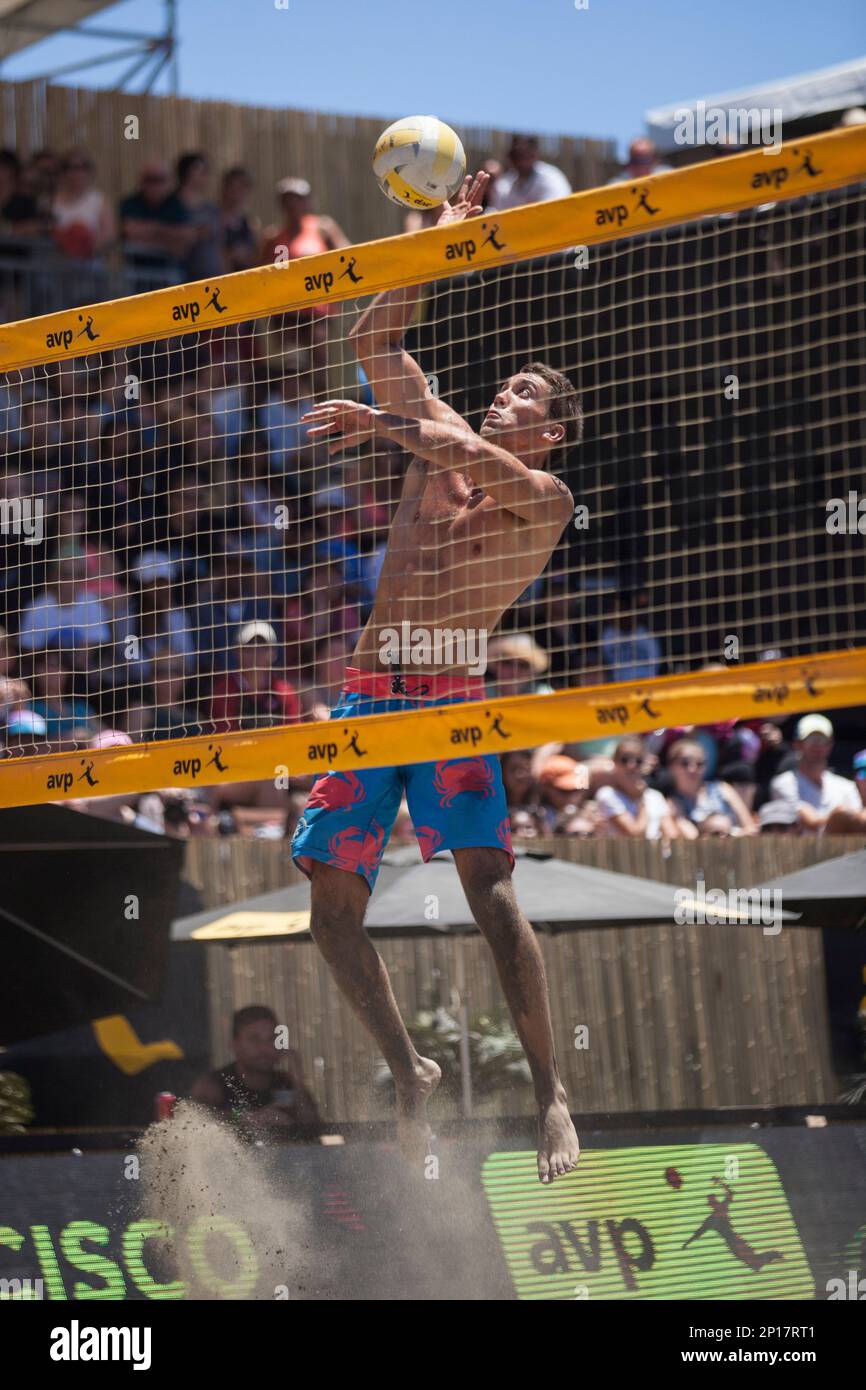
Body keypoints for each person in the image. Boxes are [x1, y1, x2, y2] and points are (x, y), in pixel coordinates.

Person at [291, 169, 581, 1183]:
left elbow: (442, 437)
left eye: (529, 399)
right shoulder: (437, 442)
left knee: (491, 897)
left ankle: (550, 1094)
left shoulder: (542, 495)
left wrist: (383, 427)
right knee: (329, 913)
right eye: (506, 385)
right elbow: (373, 342)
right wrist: (437, 239)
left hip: (450, 697)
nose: (510, 397)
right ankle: (407, 1070)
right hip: (371, 692)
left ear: (548, 434)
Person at [191, 1004, 320, 1135]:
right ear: (235, 1045)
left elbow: (314, 1130)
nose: (264, 1048)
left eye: (271, 1039)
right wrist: (247, 1118)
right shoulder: (214, 1084)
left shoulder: (286, 1082)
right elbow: (196, 1121)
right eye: (254, 1039)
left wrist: (298, 1081)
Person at [769, 715, 866, 833]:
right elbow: (811, 822)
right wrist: (840, 817)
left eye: (822, 739)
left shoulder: (847, 786)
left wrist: (845, 817)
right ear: (797, 744)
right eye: (811, 739)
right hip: (802, 851)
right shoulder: (782, 784)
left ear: (830, 744)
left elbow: (859, 823)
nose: (817, 745)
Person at [209, 621, 302, 732]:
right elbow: (225, 735)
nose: (256, 653)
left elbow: (293, 734)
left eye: (263, 646)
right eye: (249, 646)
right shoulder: (223, 691)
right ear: (237, 651)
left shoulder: (285, 692)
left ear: (274, 652)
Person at [666, 736, 755, 838]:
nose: (693, 769)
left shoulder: (722, 788)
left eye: (699, 764)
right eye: (685, 763)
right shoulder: (673, 803)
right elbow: (692, 837)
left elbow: (749, 827)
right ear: (671, 766)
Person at [595, 736, 678, 840]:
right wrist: (642, 801)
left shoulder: (655, 796)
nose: (632, 765)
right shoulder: (607, 794)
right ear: (614, 763)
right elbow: (636, 835)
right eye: (625, 760)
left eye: (638, 761)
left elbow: (672, 835)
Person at [51, 148, 114, 259]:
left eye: (81, 168)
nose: (75, 173)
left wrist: (88, 245)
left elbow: (108, 236)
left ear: (89, 171)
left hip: (89, 268)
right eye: (69, 168)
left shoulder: (99, 201)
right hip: (55, 267)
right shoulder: (52, 200)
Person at [486, 135, 571, 211]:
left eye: (524, 155)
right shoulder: (505, 185)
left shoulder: (552, 179)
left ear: (535, 154)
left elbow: (557, 211)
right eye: (516, 156)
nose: (521, 161)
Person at [607, 137, 672, 184]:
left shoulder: (668, 177)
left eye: (645, 160)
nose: (641, 167)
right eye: (636, 161)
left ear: (654, 160)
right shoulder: (618, 184)